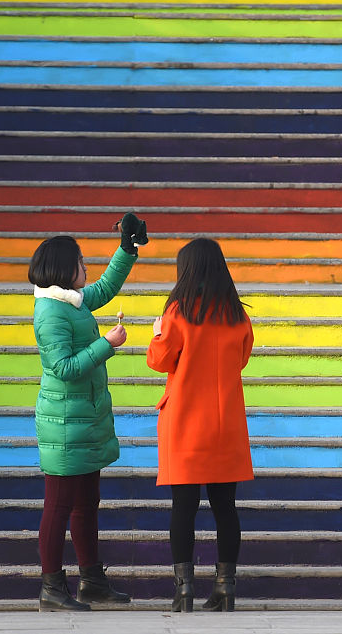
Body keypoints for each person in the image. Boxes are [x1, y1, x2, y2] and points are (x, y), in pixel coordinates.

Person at [28, 213, 148, 611]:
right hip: (64, 426)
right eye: (81, 262)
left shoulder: (72, 302)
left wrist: (127, 249)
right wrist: (107, 344)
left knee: (85, 503)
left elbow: (105, 288)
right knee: (58, 506)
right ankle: (51, 587)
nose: (86, 268)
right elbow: (63, 369)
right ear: (64, 269)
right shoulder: (50, 313)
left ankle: (91, 581)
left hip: (83, 422)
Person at [147, 237, 254, 612]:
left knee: (184, 507)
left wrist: (157, 331)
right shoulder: (237, 315)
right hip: (225, 426)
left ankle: (184, 589)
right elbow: (241, 359)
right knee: (226, 507)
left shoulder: (178, 312)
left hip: (185, 424)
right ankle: (226, 587)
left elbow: (160, 361)